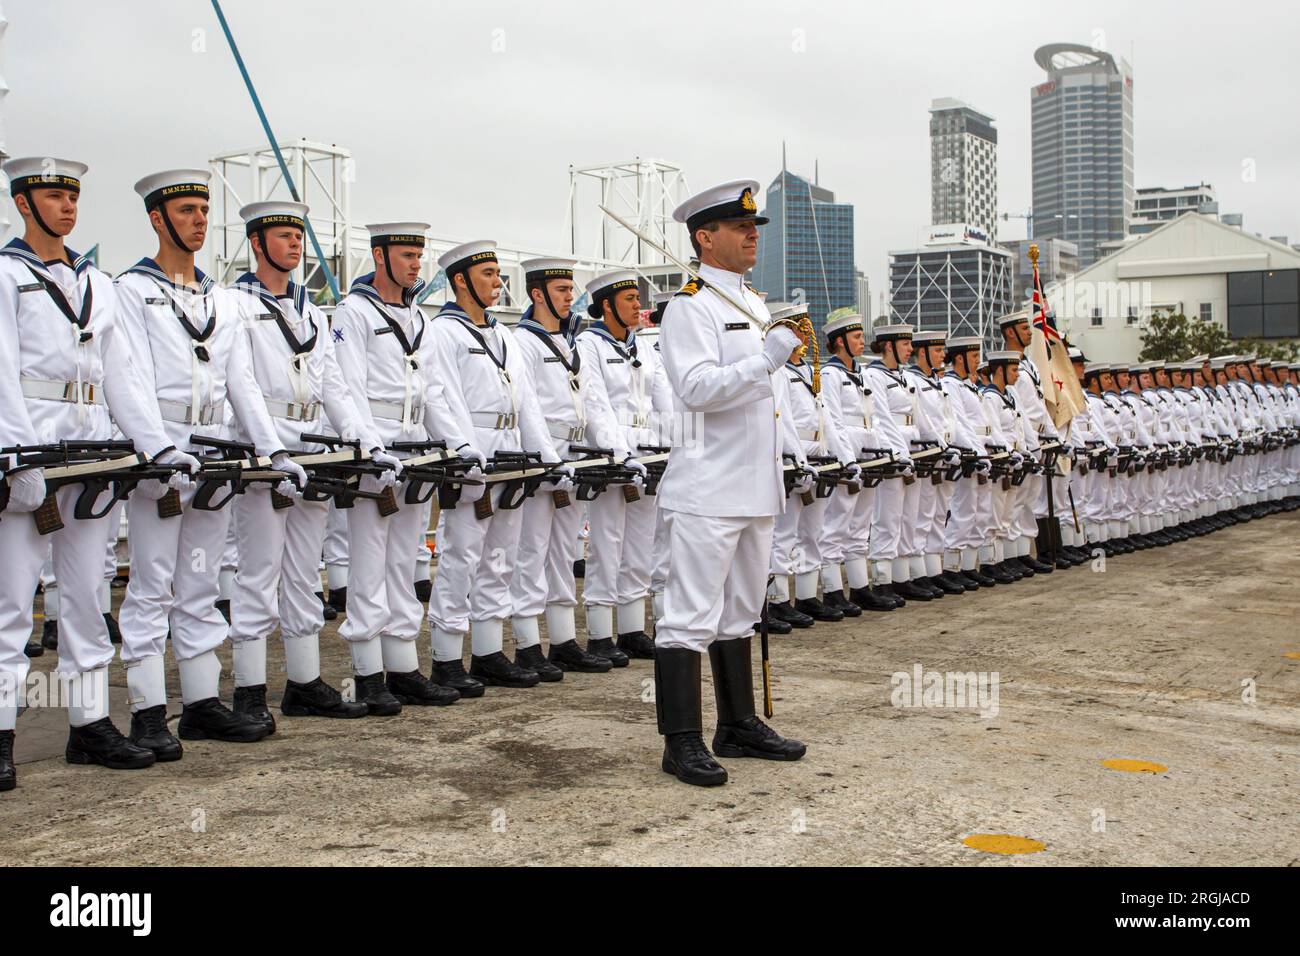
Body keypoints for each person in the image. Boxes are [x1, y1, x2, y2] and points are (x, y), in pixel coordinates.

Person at [0, 156, 193, 785]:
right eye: (54, 196)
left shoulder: (96, 284)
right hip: (31, 456)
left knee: (87, 597)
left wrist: (153, 446)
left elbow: (122, 375)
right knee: (10, 604)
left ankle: (88, 725)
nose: (67, 208)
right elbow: (2, 371)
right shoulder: (7, 275)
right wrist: (12, 456)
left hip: (92, 455)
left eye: (73, 197)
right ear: (24, 204)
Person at [115, 168, 304, 754]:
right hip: (162, 454)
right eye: (187, 210)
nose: (200, 219)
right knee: (151, 584)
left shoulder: (221, 299)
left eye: (204, 208)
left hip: (214, 454)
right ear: (157, 219)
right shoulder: (131, 290)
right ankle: (147, 713)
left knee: (199, 581)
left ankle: (200, 704)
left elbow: (240, 381)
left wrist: (270, 447)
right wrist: (157, 448)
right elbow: (127, 377)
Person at [655, 179, 807, 787]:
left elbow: (771, 403)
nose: (752, 235)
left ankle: (738, 724)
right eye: (741, 228)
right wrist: (764, 358)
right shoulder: (690, 306)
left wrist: (793, 454)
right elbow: (695, 389)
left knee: (741, 612)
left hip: (755, 484)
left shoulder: (755, 304)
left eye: (755, 228)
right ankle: (681, 741)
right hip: (708, 485)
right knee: (689, 614)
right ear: (704, 238)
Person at [227, 200, 391, 722]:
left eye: (299, 235)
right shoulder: (234, 304)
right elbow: (241, 382)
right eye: (282, 235)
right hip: (264, 450)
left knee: (303, 571)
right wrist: (267, 447)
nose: (295, 244)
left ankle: (304, 682)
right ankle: (249, 693)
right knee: (257, 572)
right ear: (257, 243)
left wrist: (362, 438)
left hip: (311, 451)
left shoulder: (312, 309)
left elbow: (332, 385)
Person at [424, 240, 566, 691]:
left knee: (500, 558)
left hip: (511, 454)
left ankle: (487, 650)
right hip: (475, 453)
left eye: (498, 273)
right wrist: (464, 450)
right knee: (461, 555)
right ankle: (446, 657)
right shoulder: (442, 331)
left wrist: (546, 457)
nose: (497, 282)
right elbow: (441, 396)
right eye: (487, 273)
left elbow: (527, 404)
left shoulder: (503, 334)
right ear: (461, 280)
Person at [329, 221, 458, 713]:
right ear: (379, 257)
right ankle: (367, 673)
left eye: (418, 255)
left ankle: (403, 665)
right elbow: (344, 385)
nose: (415, 263)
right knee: (369, 561)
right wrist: (366, 444)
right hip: (376, 448)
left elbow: (434, 391)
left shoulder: (418, 317)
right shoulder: (353, 312)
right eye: (406, 254)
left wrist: (455, 444)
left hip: (415, 448)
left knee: (405, 561)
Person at [507, 257, 617, 675]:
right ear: (537, 294)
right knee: (530, 550)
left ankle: (563, 639)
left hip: (573, 453)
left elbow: (591, 400)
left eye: (571, 290)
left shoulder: (573, 341)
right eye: (561, 290)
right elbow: (527, 403)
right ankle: (527, 643)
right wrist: (546, 459)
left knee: (564, 550)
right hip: (542, 454)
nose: (570, 297)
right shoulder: (523, 341)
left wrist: (607, 449)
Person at [575, 269, 671, 662]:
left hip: (647, 454)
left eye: (637, 298)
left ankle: (632, 629)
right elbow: (594, 403)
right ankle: (600, 634)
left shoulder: (644, 349)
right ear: (607, 304)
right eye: (629, 298)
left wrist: (676, 447)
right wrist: (620, 453)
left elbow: (664, 401)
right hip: (612, 456)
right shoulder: (588, 344)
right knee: (606, 544)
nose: (637, 305)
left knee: (641, 545)